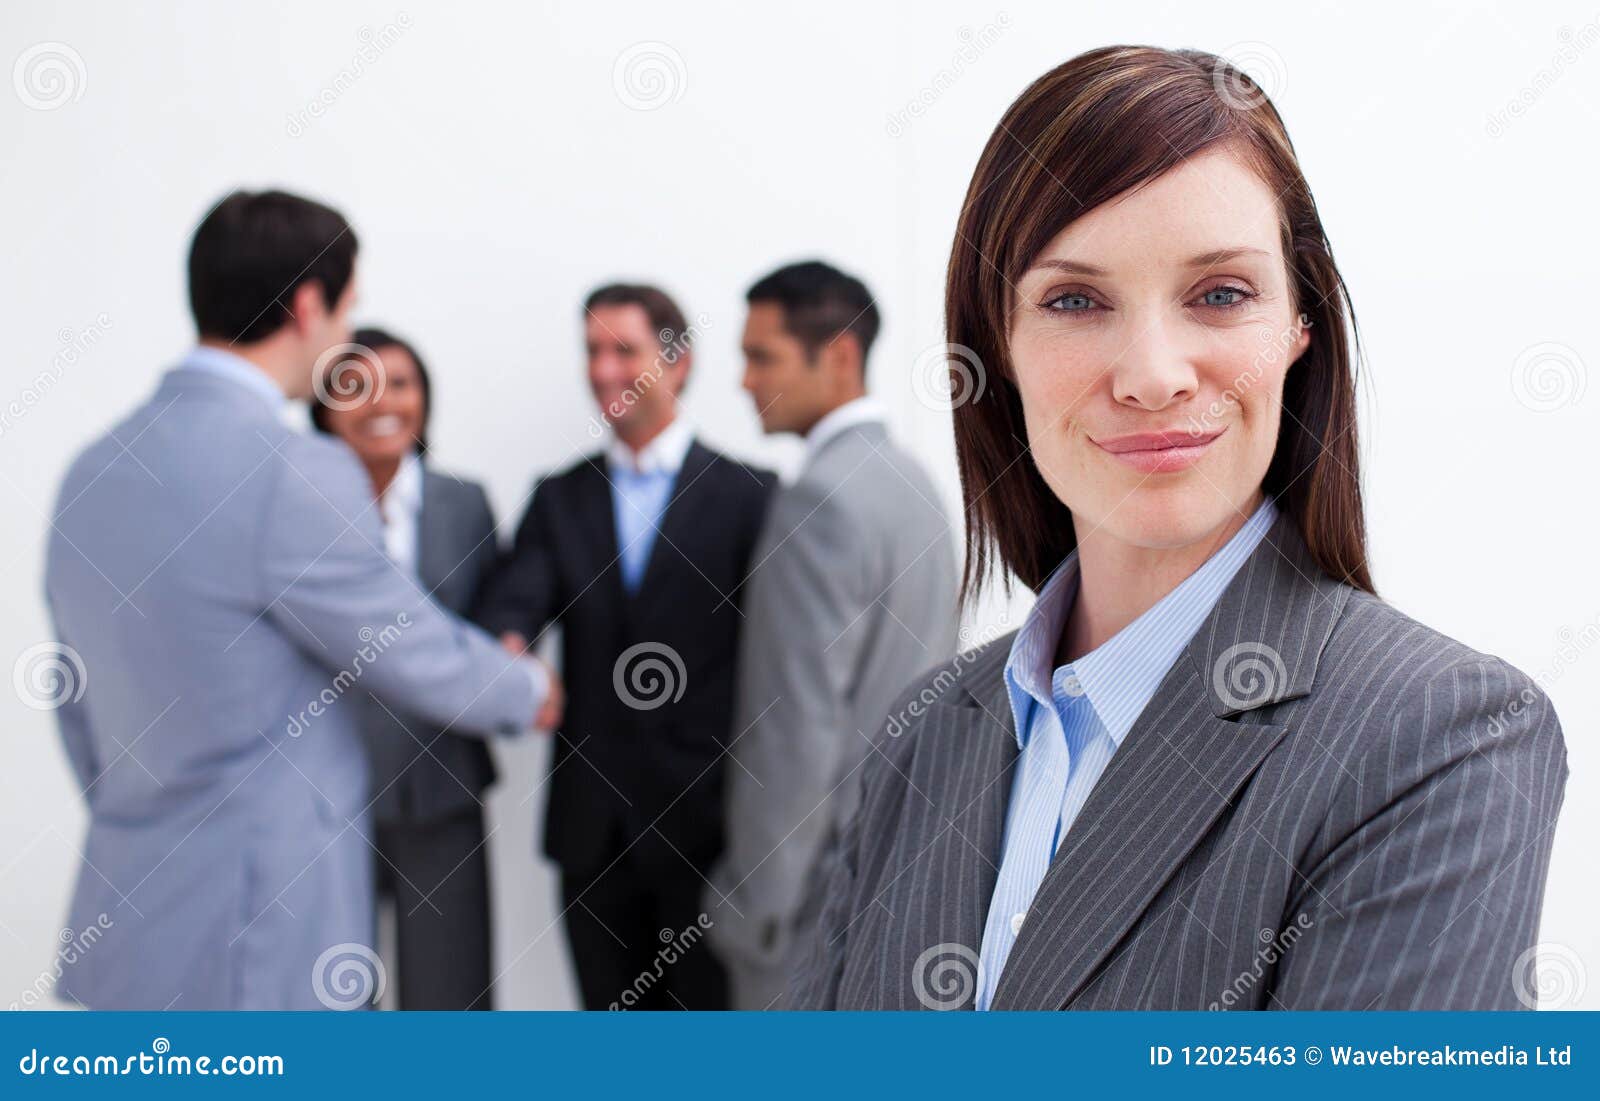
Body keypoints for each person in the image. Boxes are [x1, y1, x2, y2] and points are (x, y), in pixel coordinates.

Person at [789, 46, 1569, 1011]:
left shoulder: (1442, 738)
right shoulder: (918, 744)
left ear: (1298, 327)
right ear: (1001, 344)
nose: (1153, 373)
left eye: (1220, 295)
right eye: (1075, 300)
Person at [43, 190, 553, 1011]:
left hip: (129, 924)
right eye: (348, 309)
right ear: (309, 305)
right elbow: (402, 642)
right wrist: (525, 688)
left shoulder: (90, 470)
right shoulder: (294, 470)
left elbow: (76, 703)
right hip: (262, 939)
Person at [475, 283, 777, 1010]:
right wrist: (508, 649)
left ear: (676, 363)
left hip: (709, 827)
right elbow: (517, 600)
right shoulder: (559, 497)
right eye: (592, 351)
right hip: (592, 831)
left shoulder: (752, 496)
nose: (604, 369)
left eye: (624, 350)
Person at [705, 260, 959, 1009]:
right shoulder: (914, 484)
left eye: (763, 357)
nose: (746, 380)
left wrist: (756, 906)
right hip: (899, 866)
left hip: (812, 895)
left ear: (839, 355)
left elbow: (795, 729)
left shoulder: (819, 499)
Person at [310, 327, 534, 1009]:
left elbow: (492, 616)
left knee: (452, 995)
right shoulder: (294, 508)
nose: (383, 400)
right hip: (323, 789)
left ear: (426, 400)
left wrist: (511, 650)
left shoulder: (463, 503)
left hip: (440, 783)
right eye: (357, 383)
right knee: (324, 995)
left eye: (402, 382)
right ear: (322, 407)